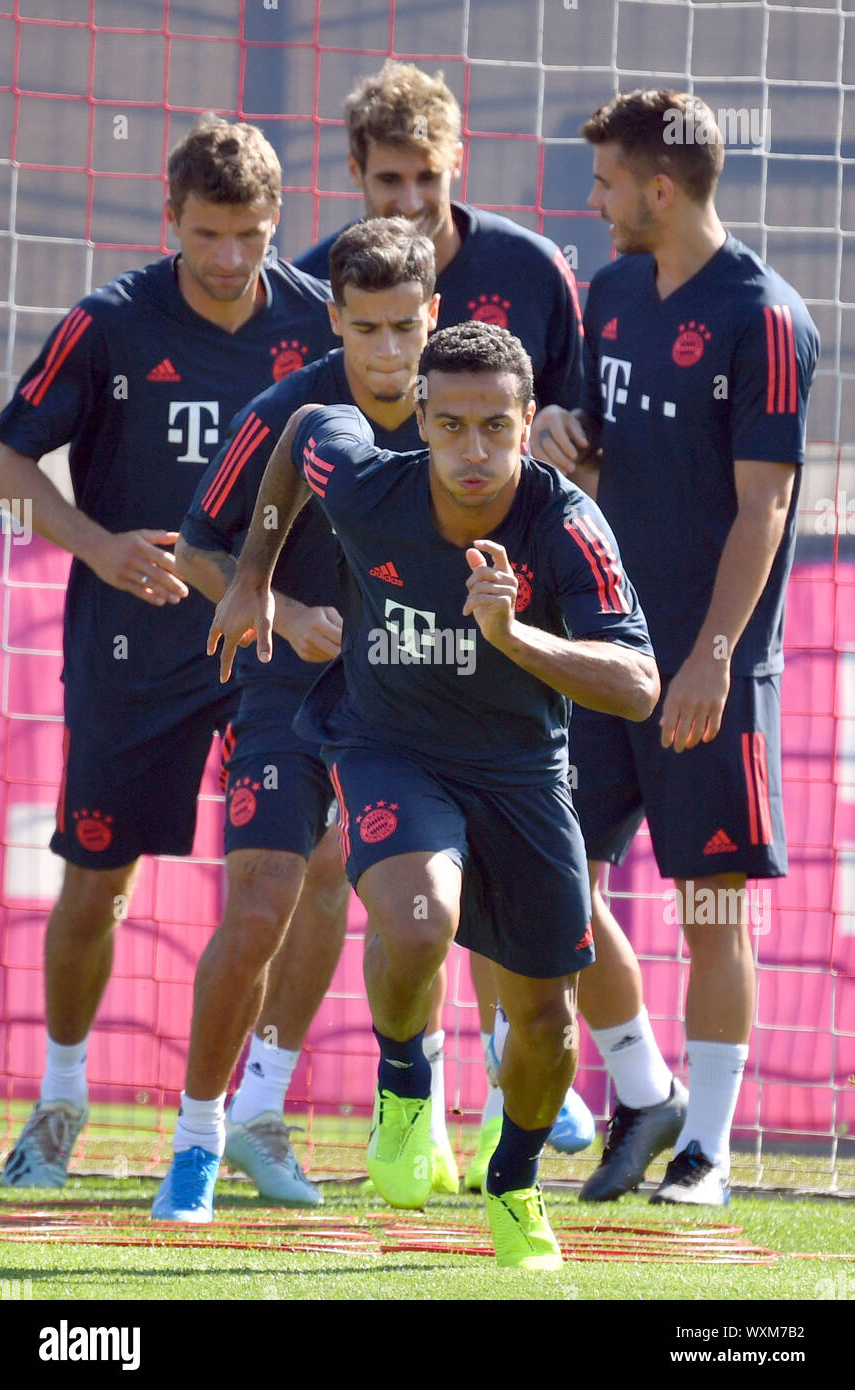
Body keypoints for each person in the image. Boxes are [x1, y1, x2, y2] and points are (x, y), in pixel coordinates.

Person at [207, 322, 659, 1268]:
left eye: (497, 426)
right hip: (389, 746)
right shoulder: (369, 485)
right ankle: (406, 1086)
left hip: (524, 776)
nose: (474, 451)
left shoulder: (567, 521)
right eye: (450, 426)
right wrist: (253, 574)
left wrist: (517, 638)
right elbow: (304, 431)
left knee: (544, 1022)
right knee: (417, 925)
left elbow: (636, 682)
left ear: (530, 424)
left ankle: (516, 1185)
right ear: (420, 419)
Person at [0, 114, 336, 1188]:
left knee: (295, 876)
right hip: (134, 650)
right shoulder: (108, 325)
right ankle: (59, 1100)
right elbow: (3, 457)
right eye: (206, 235)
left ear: (276, 223)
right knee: (97, 883)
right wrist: (93, 546)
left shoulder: (324, 328)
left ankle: (256, 1114)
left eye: (248, 234)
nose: (229, 259)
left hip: (273, 655)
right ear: (170, 221)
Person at [295, 59, 595, 1166]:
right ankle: (370, 1086)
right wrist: (255, 583)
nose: (409, 202)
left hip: (518, 656)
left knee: (535, 905)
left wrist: (554, 464)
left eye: (426, 177)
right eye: (387, 182)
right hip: (375, 638)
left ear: (454, 167)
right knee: (370, 885)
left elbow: (575, 410)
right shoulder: (340, 317)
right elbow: (302, 431)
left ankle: (525, 1083)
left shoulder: (530, 269)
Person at [536, 89, 819, 1205]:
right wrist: (560, 437)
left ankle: (701, 1150)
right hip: (602, 652)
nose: (592, 199)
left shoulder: (764, 318)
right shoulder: (606, 293)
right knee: (556, 879)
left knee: (709, 909)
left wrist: (710, 658)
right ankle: (639, 1082)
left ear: (659, 189)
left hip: (708, 669)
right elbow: (596, 455)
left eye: (604, 181)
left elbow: (764, 510)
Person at [152, 217, 442, 1220]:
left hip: (412, 691)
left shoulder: (464, 409)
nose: (390, 351)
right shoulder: (286, 407)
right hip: (284, 686)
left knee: (392, 890)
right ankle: (197, 1136)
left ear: (432, 317)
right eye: (366, 329)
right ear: (334, 319)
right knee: (262, 903)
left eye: (406, 326)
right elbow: (197, 546)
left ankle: (310, 1099)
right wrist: (274, 608)